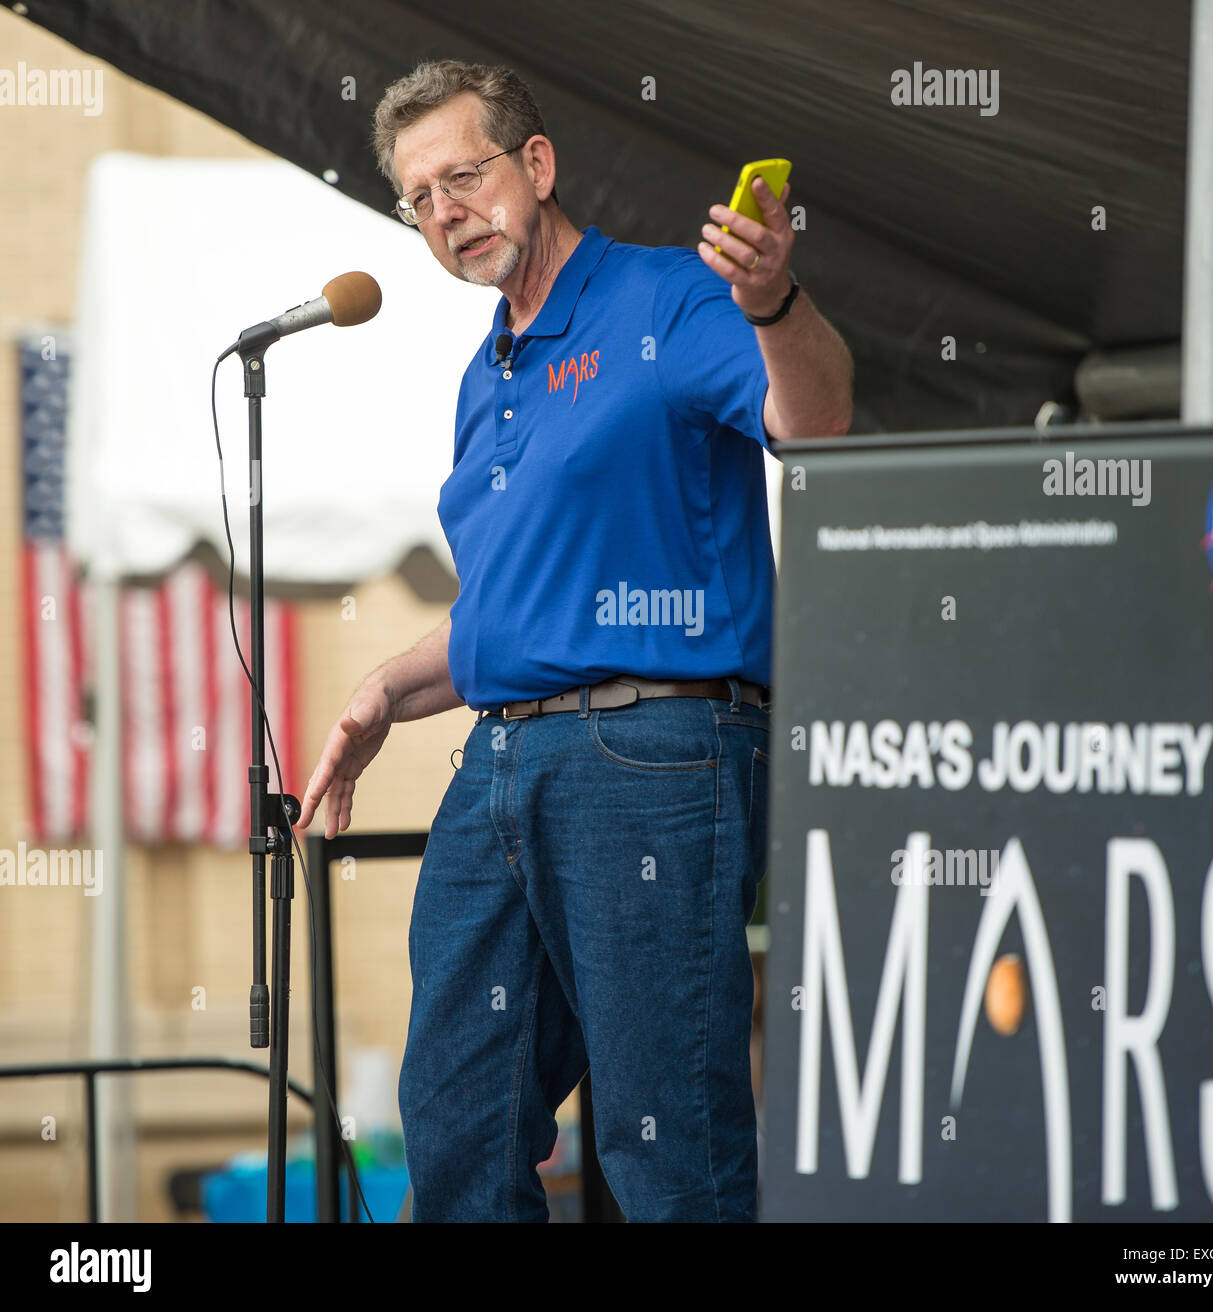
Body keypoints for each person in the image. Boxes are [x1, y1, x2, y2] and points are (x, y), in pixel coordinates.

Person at [296, 58, 853, 1222]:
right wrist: (382, 692)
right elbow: (515, 618)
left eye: (464, 175)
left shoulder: (666, 299)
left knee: (662, 1137)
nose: (445, 211)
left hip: (651, 754)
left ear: (536, 166)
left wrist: (775, 308)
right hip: (498, 763)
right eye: (420, 197)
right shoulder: (479, 375)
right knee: (454, 1118)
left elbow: (814, 424)